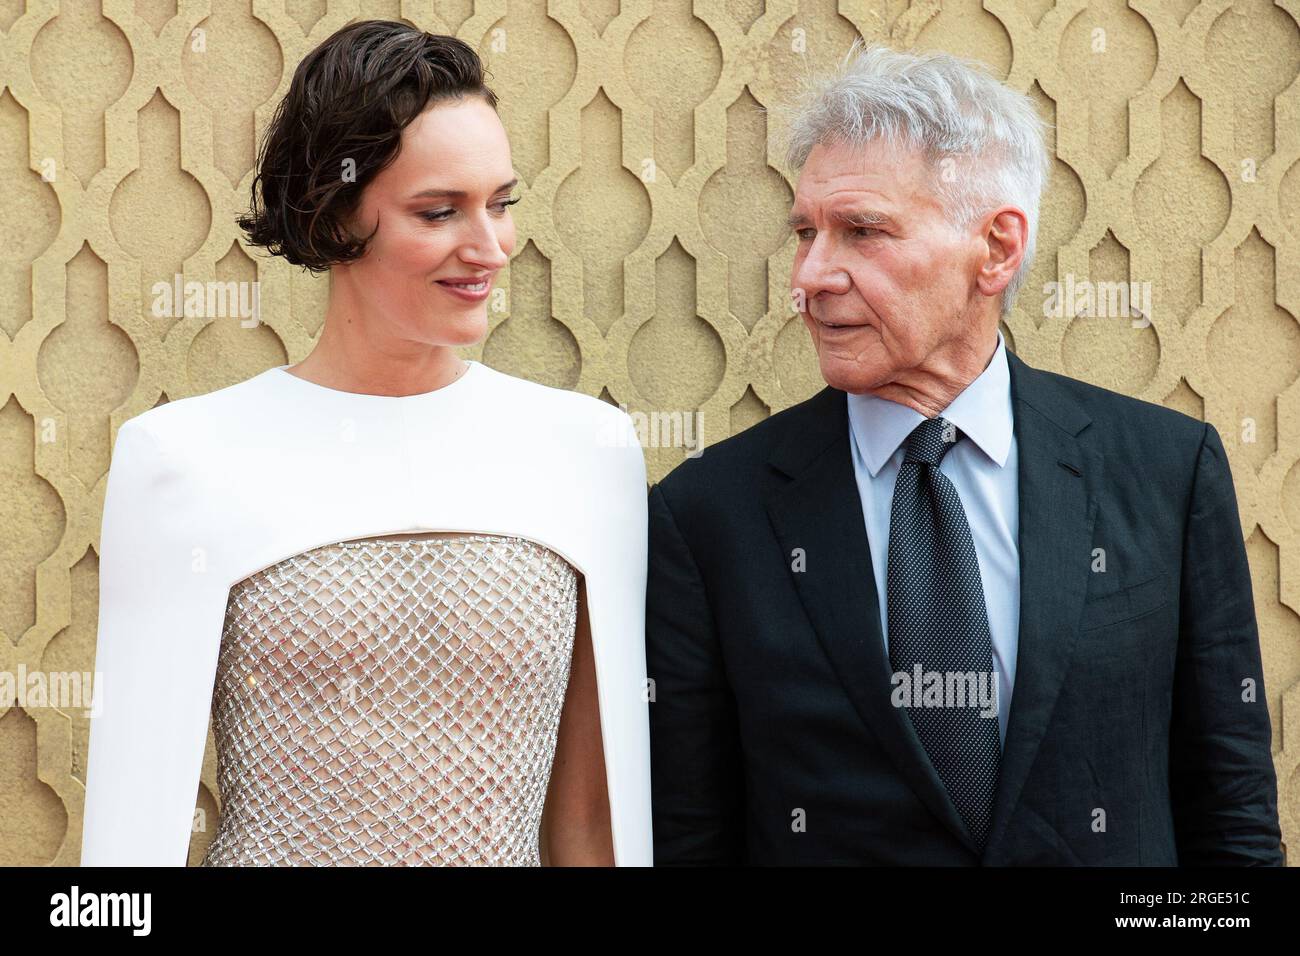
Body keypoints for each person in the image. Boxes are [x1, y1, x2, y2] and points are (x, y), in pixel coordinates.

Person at [646, 42, 1283, 865]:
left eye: (862, 231)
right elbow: (690, 835)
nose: (810, 274)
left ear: (997, 248)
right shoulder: (708, 512)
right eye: (806, 233)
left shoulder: (1166, 470)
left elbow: (1230, 811)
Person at [80, 20, 650, 867]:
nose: (489, 248)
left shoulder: (588, 450)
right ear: (336, 211)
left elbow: (595, 822)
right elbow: (132, 832)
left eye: (501, 204)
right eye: (438, 211)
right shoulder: (182, 457)